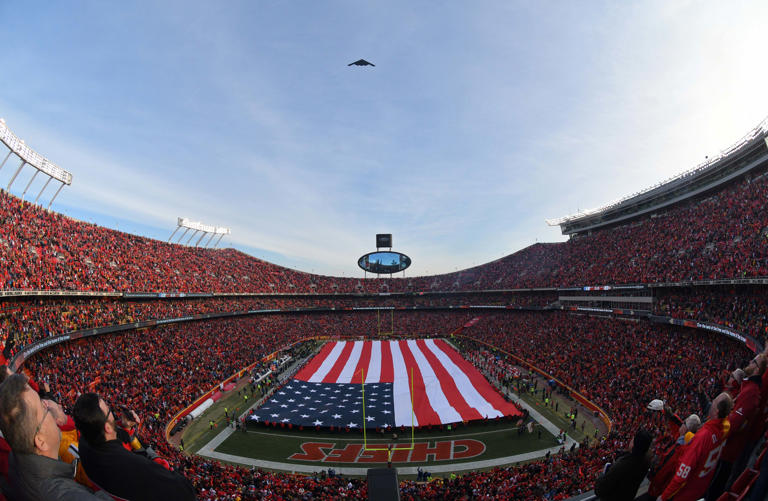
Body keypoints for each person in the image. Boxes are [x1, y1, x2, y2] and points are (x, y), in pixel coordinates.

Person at [0, 374, 108, 500]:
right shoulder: (65, 496)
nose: (48, 408)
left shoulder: (18, 463)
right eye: (44, 408)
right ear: (40, 441)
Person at [72, 392, 195, 501]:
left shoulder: (85, 445)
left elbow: (109, 439)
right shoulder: (133, 466)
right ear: (107, 428)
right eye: (109, 411)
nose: (113, 414)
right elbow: (185, 491)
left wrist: (126, 428)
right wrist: (162, 464)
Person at [660, 392, 733, 501]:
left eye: (715, 401)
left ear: (717, 411)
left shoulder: (702, 437)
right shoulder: (725, 426)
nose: (712, 401)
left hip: (686, 492)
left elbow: (681, 476)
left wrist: (663, 497)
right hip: (701, 486)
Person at [594, 428, 653, 500]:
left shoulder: (622, 465)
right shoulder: (645, 463)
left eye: (632, 439)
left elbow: (600, 490)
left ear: (634, 444)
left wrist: (601, 475)